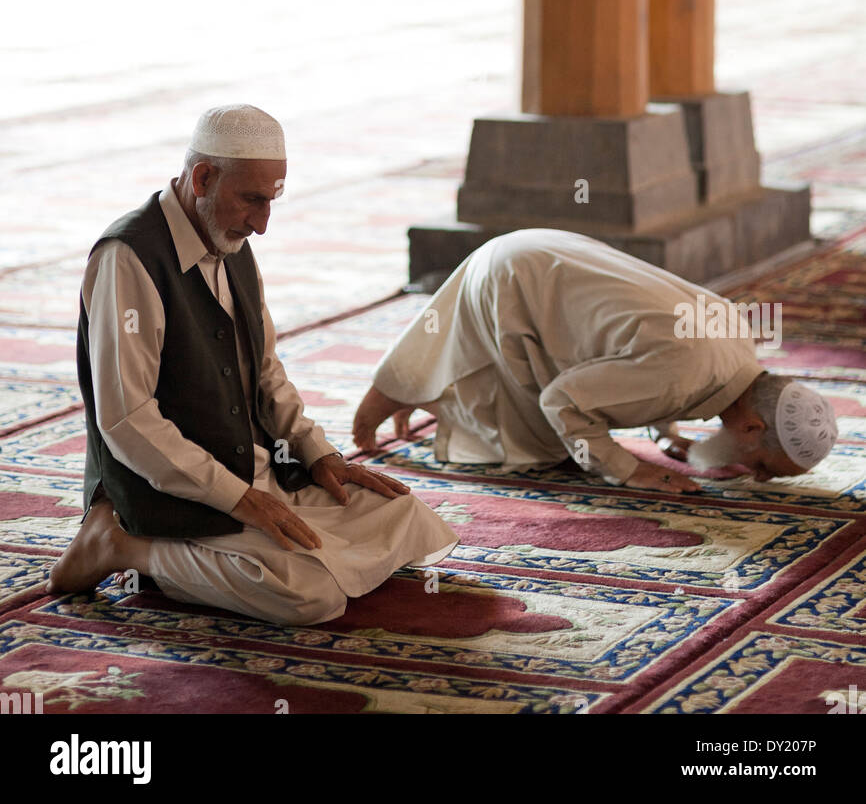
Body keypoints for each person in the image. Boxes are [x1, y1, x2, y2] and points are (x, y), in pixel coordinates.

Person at [50, 104, 456, 625]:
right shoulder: (129, 258)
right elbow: (127, 420)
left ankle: (255, 551)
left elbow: (266, 371)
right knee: (311, 596)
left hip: (257, 474)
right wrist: (240, 499)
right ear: (202, 177)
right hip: (171, 495)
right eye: (252, 200)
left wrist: (317, 455)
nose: (262, 224)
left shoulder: (229, 236)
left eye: (272, 202)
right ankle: (124, 547)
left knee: (405, 517)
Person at [353, 228, 838, 494]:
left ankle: (426, 386)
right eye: (763, 467)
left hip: (546, 248)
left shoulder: (738, 344)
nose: (755, 475)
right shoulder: (681, 377)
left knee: (570, 429)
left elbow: (652, 359)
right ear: (751, 428)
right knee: (541, 446)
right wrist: (628, 470)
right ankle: (402, 386)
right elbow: (562, 399)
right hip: (515, 280)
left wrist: (662, 433)